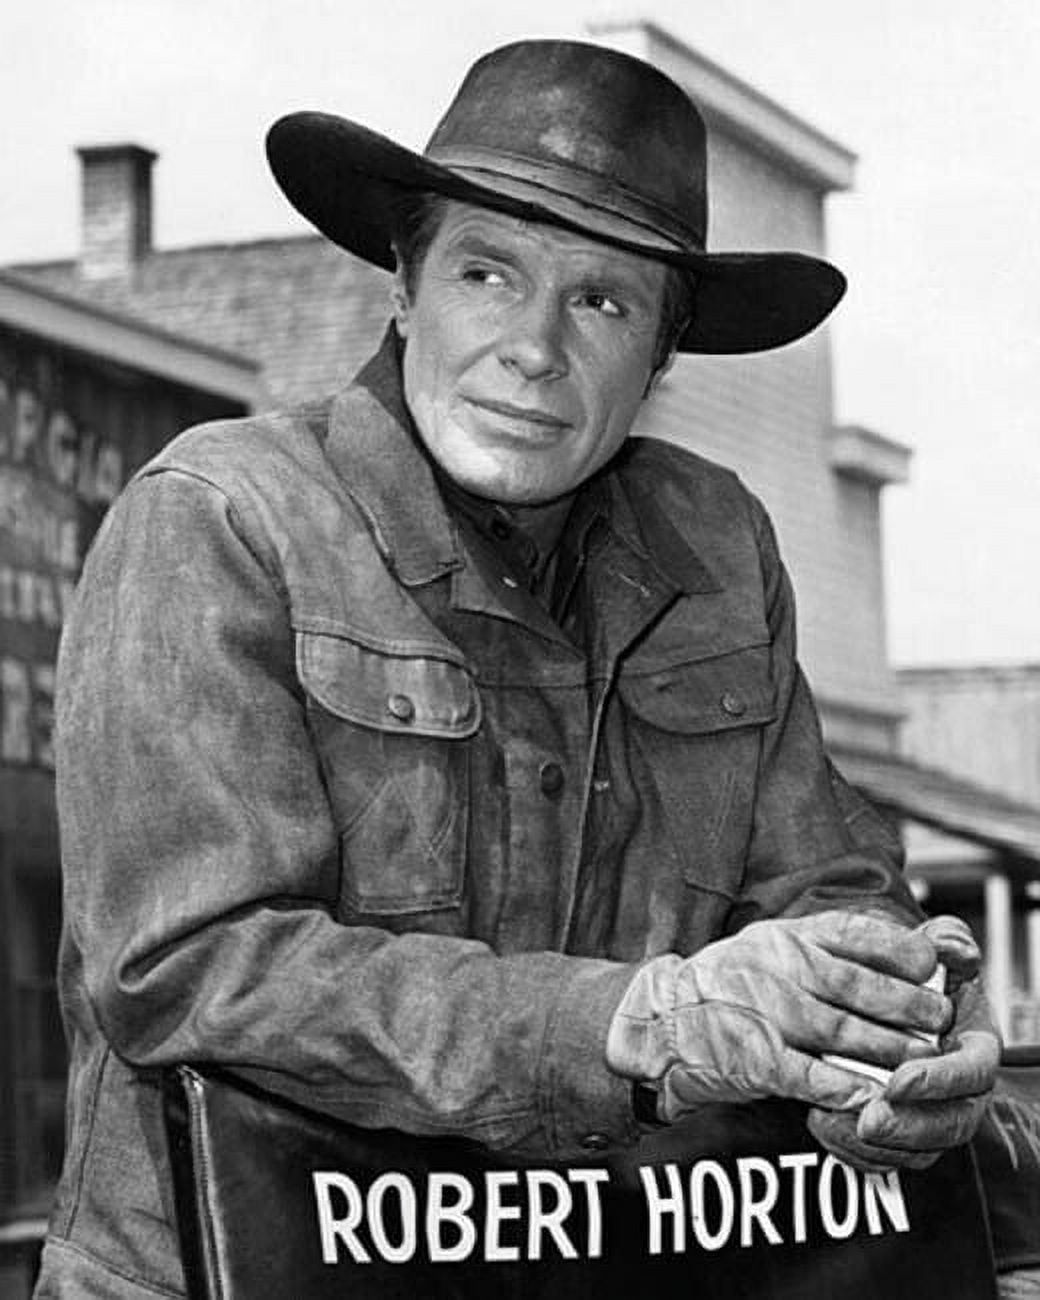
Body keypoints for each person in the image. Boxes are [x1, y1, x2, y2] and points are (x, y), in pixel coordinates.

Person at [36, 39, 1000, 1298]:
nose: (533, 349)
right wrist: (632, 1023)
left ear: (660, 356)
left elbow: (825, 884)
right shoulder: (224, 518)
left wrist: (884, 1023)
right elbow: (183, 969)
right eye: (487, 274)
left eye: (601, 302)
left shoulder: (716, 545)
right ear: (402, 288)